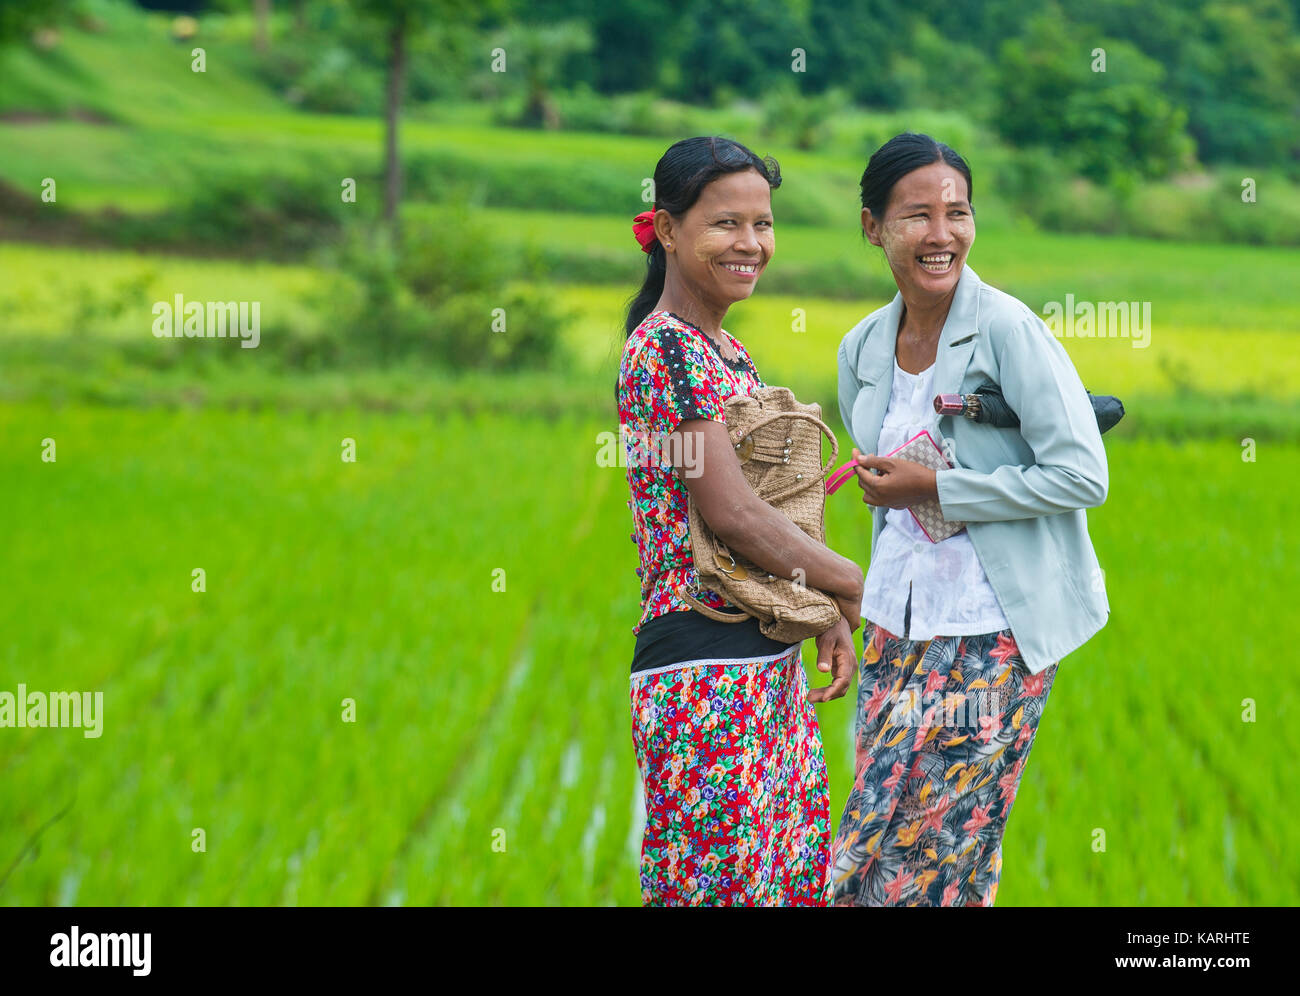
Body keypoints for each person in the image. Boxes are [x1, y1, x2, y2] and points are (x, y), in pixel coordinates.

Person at [830, 133, 1110, 906]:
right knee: (874, 831)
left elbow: (1082, 474)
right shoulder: (861, 347)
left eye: (957, 213)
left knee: (924, 846)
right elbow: (886, 487)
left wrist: (943, 489)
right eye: (916, 215)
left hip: (991, 634)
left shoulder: (1008, 329)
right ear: (872, 226)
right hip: (894, 626)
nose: (941, 234)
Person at [617, 136, 863, 906]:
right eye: (726, 225)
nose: (751, 244)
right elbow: (733, 514)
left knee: (786, 885)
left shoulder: (728, 351)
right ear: (667, 229)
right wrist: (856, 584)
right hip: (704, 673)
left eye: (763, 224)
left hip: (760, 664)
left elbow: (774, 506)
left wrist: (817, 606)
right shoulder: (665, 350)